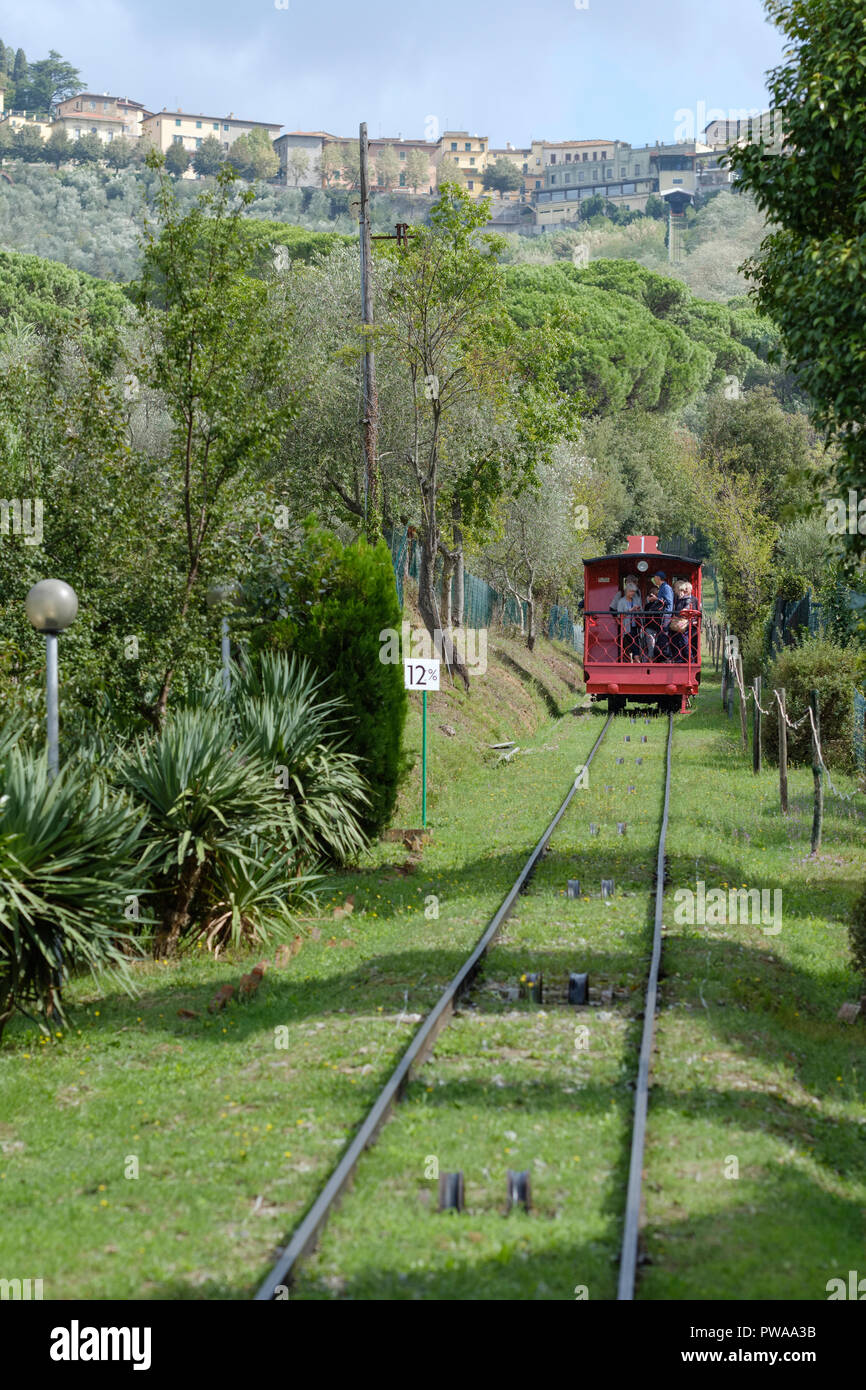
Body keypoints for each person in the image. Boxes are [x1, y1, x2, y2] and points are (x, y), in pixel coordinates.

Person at [609, 574, 641, 660]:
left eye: (635, 583)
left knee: (635, 643)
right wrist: (618, 620)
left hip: (634, 623)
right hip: (624, 623)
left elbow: (640, 607)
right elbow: (612, 609)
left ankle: (635, 661)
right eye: (633, 583)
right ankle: (624, 661)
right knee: (624, 644)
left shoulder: (637, 594)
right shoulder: (621, 594)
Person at [647, 570, 674, 661]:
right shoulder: (662, 587)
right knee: (661, 636)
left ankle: (666, 657)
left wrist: (656, 598)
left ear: (658, 578)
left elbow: (669, 601)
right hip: (662, 616)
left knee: (663, 637)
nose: (654, 579)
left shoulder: (666, 587)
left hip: (666, 616)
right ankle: (663, 657)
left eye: (654, 578)